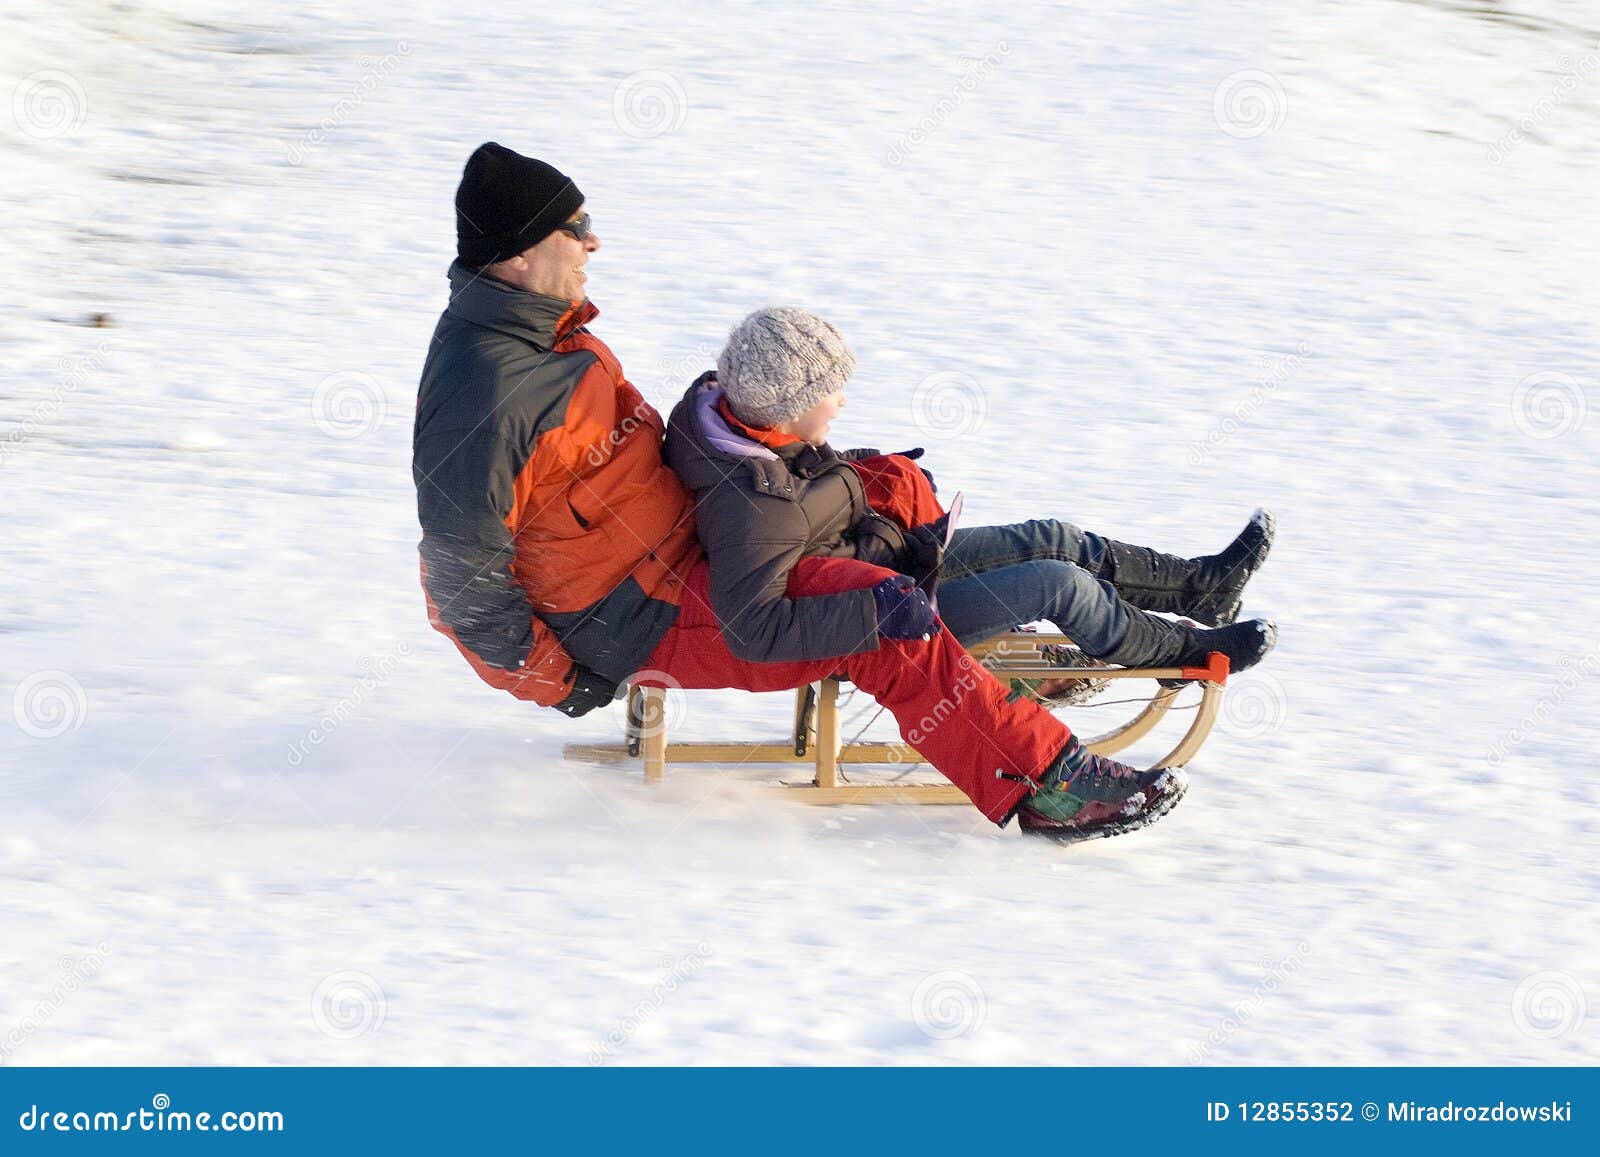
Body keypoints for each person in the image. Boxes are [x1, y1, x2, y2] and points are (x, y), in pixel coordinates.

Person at [412, 143, 1236, 843]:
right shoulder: (484, 392)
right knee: (875, 616)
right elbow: (458, 576)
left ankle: (1075, 636)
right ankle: (1050, 785)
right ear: (518, 255)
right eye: (576, 227)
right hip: (636, 613)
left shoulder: (548, 338)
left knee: (886, 511)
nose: (595, 240)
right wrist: (559, 679)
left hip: (689, 556)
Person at [662, 307, 1277, 702]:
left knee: (1052, 536)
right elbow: (756, 623)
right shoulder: (751, 500)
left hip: (894, 562)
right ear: (788, 407)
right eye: (832, 392)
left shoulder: (753, 435)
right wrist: (880, 610)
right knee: (1058, 583)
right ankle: (1179, 654)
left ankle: (1202, 587)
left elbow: (808, 501)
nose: (842, 402)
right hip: (891, 617)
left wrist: (865, 470)